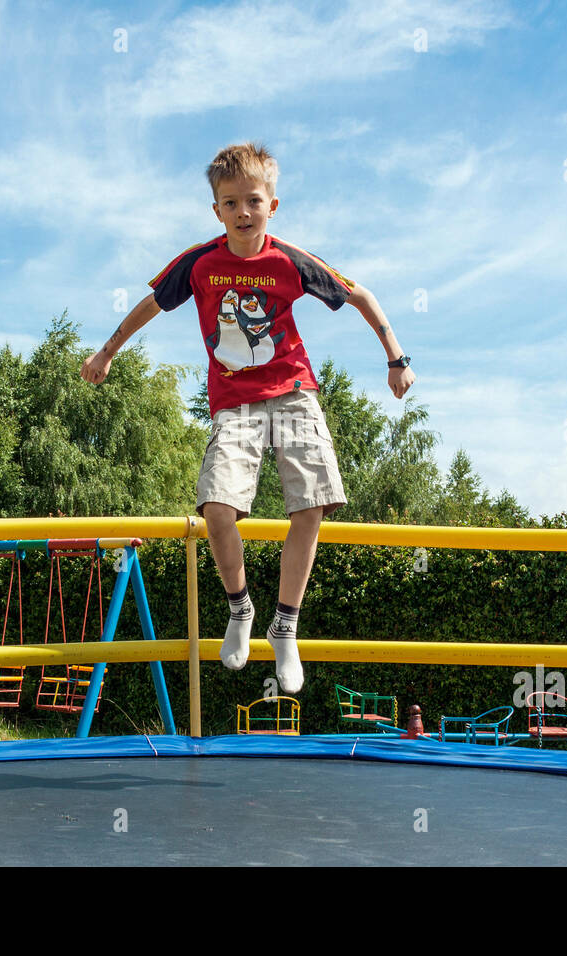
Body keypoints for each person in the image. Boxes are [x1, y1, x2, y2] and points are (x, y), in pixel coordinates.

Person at [80, 142, 415, 693]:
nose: (242, 212)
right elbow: (152, 304)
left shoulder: (289, 260)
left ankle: (286, 626)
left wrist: (396, 358)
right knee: (217, 507)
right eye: (231, 203)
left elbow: (360, 295)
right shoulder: (200, 262)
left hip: (293, 390)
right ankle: (241, 610)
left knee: (311, 504)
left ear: (271, 206)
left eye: (253, 201)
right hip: (234, 402)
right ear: (217, 210)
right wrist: (107, 351)